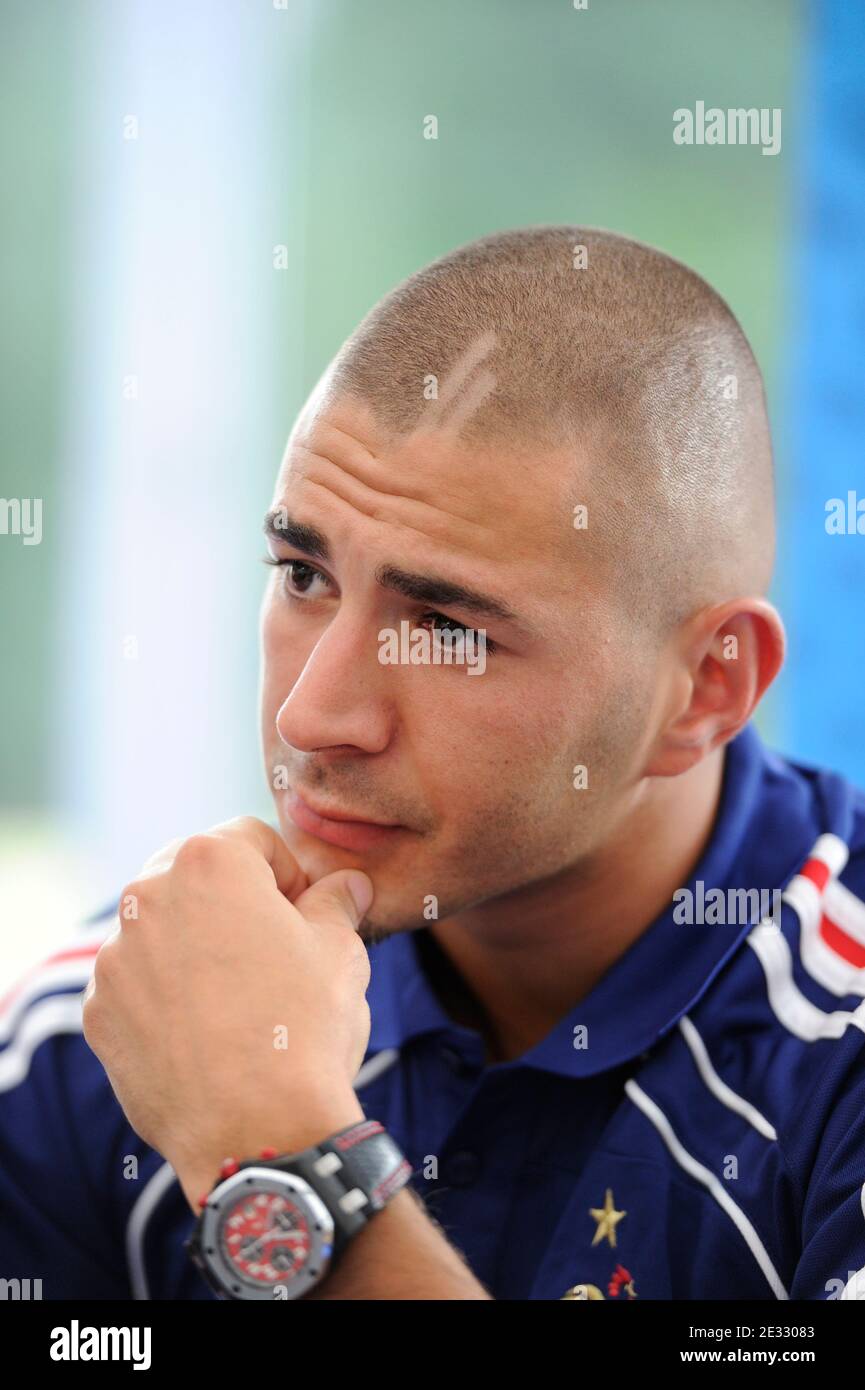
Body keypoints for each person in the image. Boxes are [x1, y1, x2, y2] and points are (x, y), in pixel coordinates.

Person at [2, 226, 864, 1301]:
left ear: (706, 687)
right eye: (302, 573)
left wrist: (281, 1154)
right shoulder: (99, 1033)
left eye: (449, 630)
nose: (313, 716)